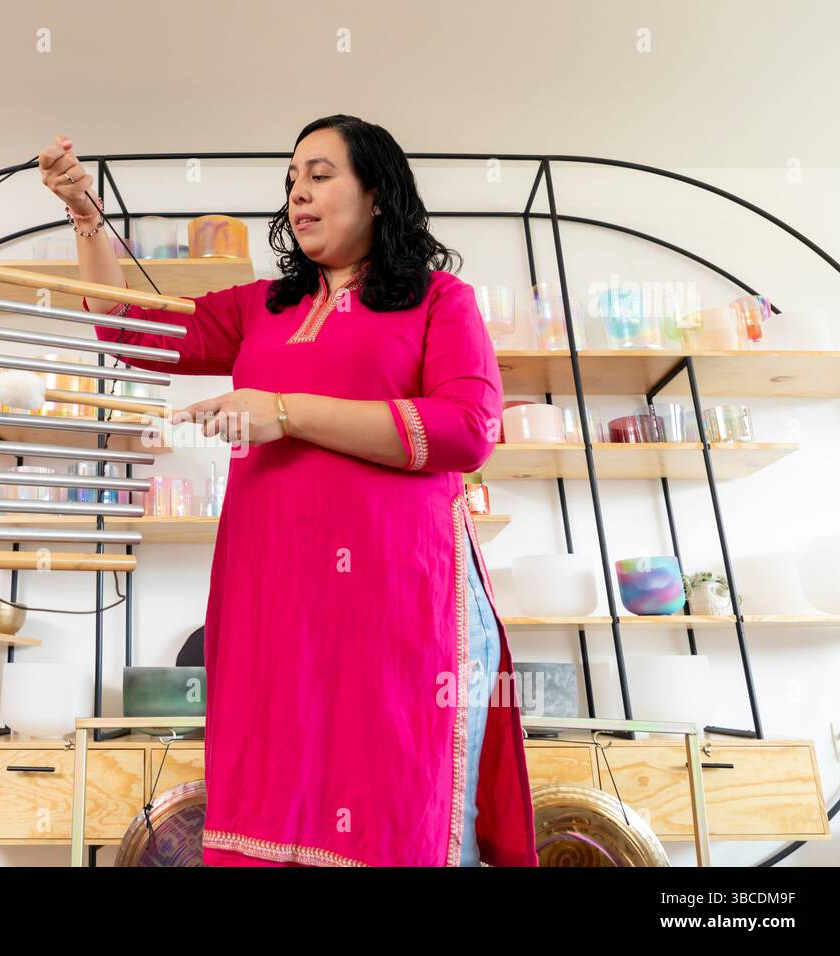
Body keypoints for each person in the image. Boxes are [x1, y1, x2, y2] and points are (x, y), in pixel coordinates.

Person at [38, 116, 537, 867]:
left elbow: (467, 429)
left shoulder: (440, 299)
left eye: (321, 175)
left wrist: (285, 411)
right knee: (276, 793)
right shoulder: (262, 308)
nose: (299, 192)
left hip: (397, 598)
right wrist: (85, 216)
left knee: (397, 797)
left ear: (377, 193)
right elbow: (128, 330)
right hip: (275, 601)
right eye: (292, 179)